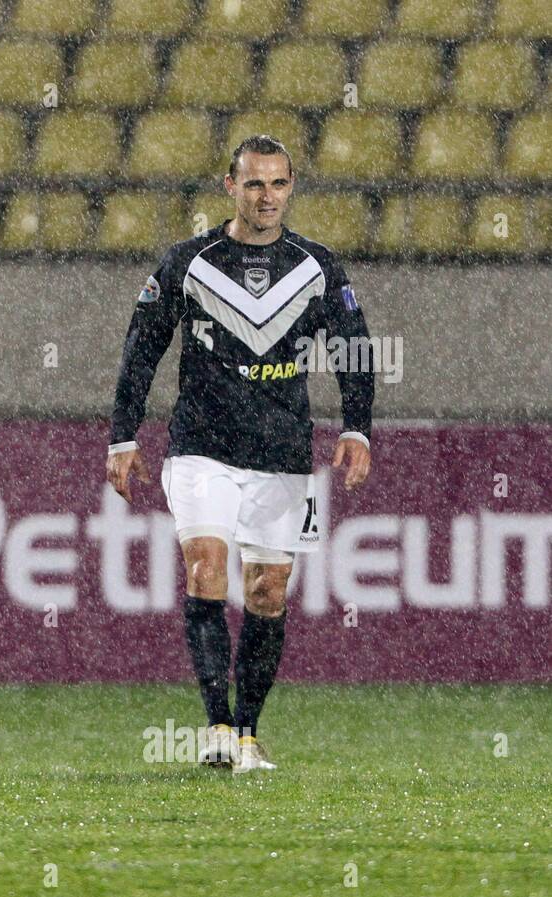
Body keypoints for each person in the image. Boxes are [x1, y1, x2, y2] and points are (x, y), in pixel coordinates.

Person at [106, 135, 375, 774]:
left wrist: (357, 430)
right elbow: (142, 349)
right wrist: (124, 436)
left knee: (267, 592)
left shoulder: (318, 266)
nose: (267, 197)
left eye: (278, 184)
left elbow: (354, 347)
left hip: (282, 449)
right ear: (230, 187)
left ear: (292, 187)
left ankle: (250, 732)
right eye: (254, 184)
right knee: (206, 569)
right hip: (203, 446)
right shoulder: (188, 262)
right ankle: (217, 727)